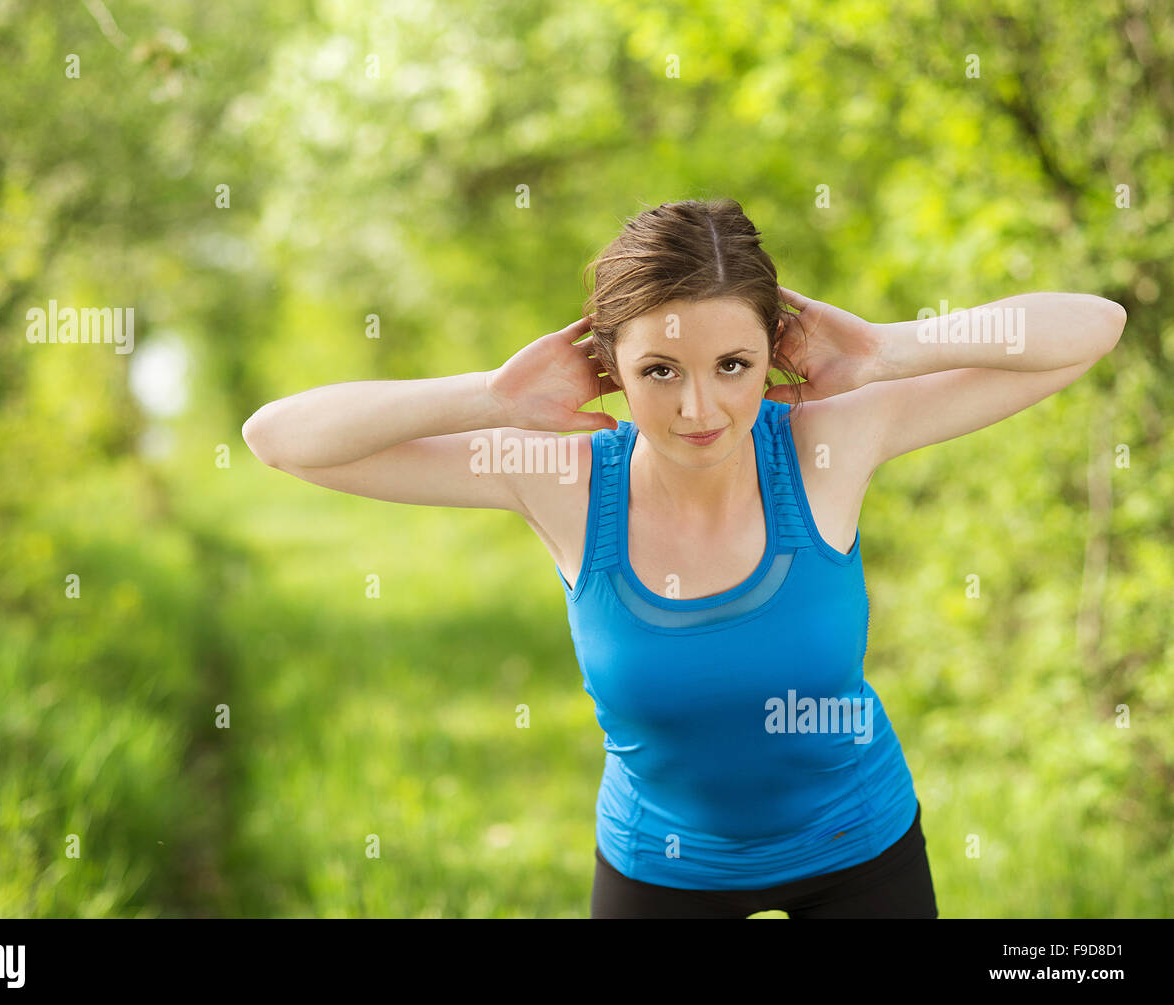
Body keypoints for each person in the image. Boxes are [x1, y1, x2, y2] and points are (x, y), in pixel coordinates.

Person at [241, 198, 1125, 919]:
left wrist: (891, 351)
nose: (699, 407)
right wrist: (494, 396)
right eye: (660, 370)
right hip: (663, 868)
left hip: (858, 846)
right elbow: (282, 439)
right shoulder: (563, 479)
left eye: (732, 364)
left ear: (774, 353)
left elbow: (1092, 326)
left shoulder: (828, 446)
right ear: (610, 368)